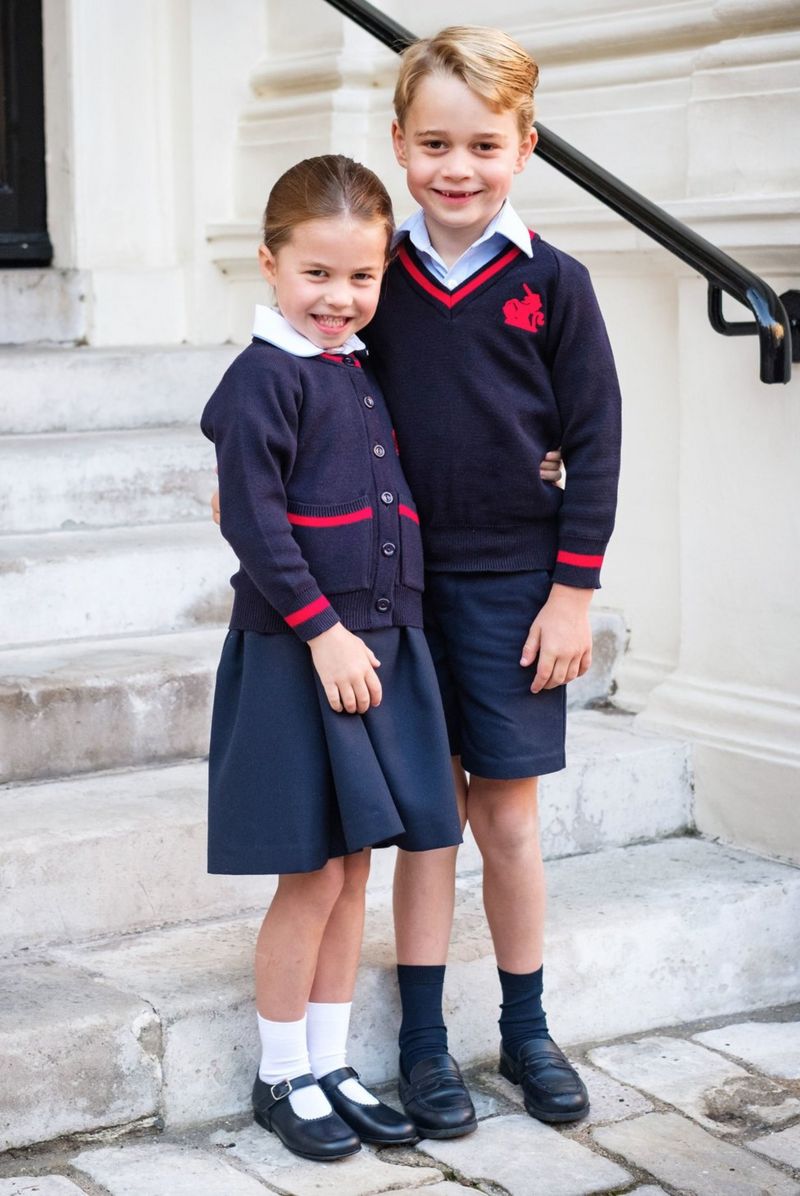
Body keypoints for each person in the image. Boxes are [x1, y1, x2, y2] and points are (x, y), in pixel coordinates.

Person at [360, 25, 622, 1132]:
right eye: (433, 144)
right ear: (399, 143)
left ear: (525, 147)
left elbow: (595, 440)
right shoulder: (374, 276)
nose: (456, 168)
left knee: (504, 817)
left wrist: (573, 591)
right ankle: (423, 1047)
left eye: (482, 145)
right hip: (400, 590)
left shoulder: (554, 283)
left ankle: (526, 1030)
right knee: (429, 820)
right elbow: (313, 385)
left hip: (515, 589)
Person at [200, 153, 466, 1162]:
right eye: (316, 273)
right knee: (309, 875)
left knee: (354, 869)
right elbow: (257, 526)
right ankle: (279, 1073)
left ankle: (328, 1059)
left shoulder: (351, 364)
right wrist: (323, 631)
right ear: (269, 263)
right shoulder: (261, 380)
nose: (338, 297)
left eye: (361, 276)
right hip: (301, 653)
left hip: (372, 649)